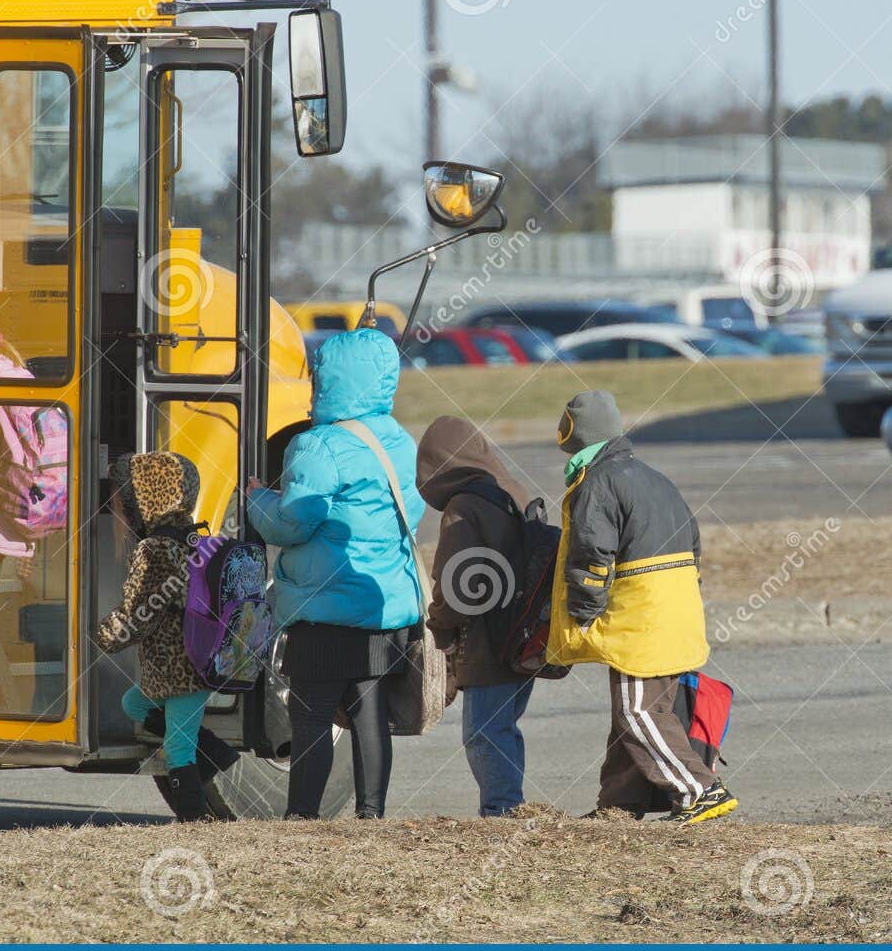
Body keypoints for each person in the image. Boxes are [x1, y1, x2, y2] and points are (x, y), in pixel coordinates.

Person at [247, 327, 425, 820]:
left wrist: (256, 497)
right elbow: (414, 512)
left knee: (311, 718)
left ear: (327, 380)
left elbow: (293, 523)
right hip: (382, 607)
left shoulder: (317, 445)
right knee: (370, 714)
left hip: (323, 611)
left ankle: (302, 816)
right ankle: (371, 815)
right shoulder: (397, 440)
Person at [546, 390, 738, 826]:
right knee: (634, 711)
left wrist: (584, 609)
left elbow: (593, 555)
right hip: (674, 610)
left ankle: (700, 790)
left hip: (640, 617)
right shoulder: (651, 476)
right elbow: (694, 543)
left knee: (637, 710)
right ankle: (620, 805)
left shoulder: (597, 482)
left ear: (575, 436)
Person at [417, 415, 537, 817]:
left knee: (484, 731)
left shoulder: (464, 506)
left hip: (485, 640)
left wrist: (440, 626)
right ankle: (508, 805)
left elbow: (453, 581)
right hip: (525, 633)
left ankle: (502, 809)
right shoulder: (514, 491)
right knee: (504, 725)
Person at [93, 451, 215, 822]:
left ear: (143, 501)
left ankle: (192, 821)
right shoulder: (194, 538)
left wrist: (98, 637)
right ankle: (217, 755)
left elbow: (139, 614)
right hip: (192, 660)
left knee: (178, 750)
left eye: (121, 501)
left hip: (180, 666)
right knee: (135, 705)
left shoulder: (155, 549)